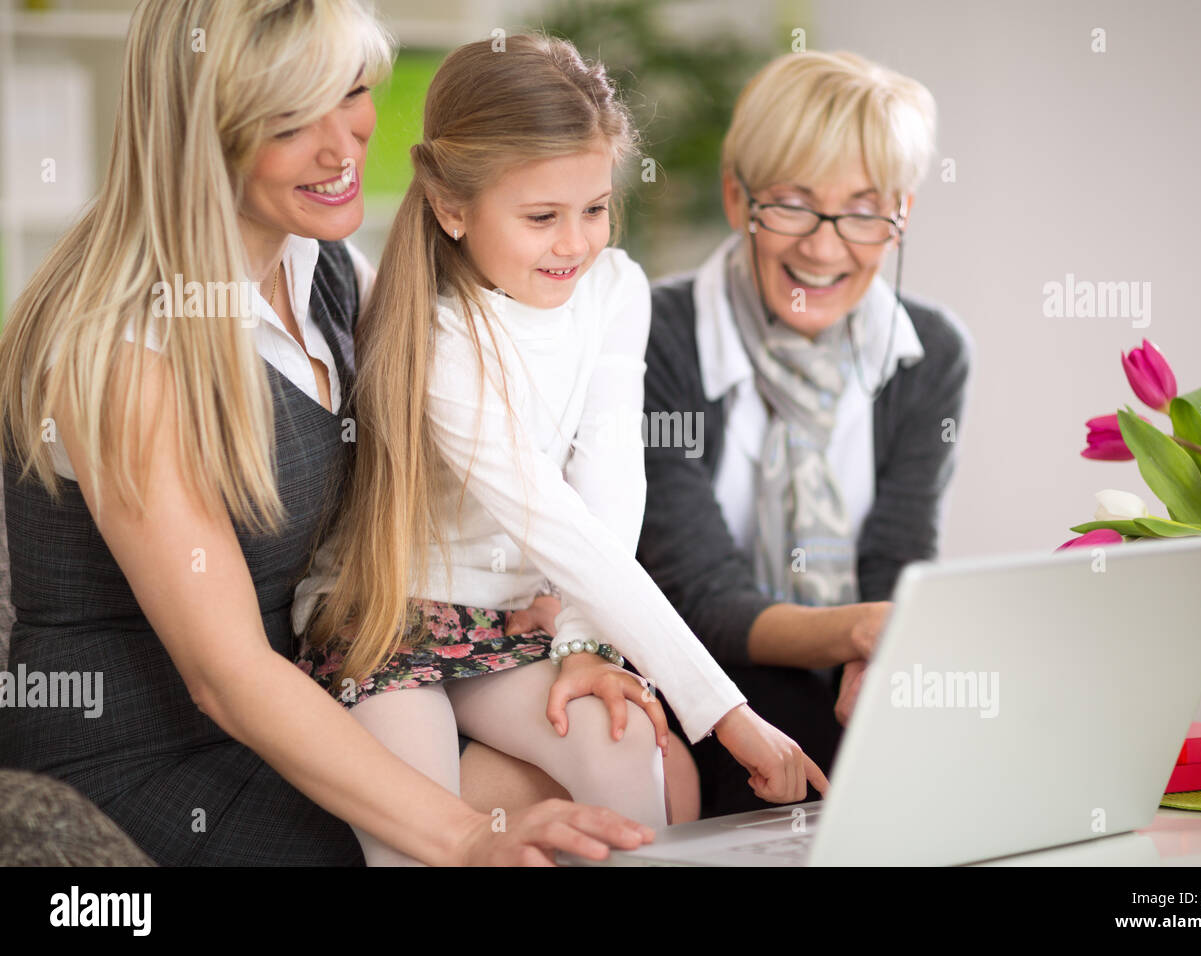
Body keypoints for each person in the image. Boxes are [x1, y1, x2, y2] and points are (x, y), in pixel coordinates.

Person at [0, 0, 639, 867]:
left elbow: (442, 470)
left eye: (352, 92)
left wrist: (540, 602)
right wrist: (458, 835)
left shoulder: (323, 261)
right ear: (202, 133)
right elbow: (225, 676)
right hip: (154, 765)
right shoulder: (120, 347)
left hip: (315, 691)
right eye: (291, 121)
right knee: (557, 821)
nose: (344, 147)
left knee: (628, 762)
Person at [294, 31, 828, 865]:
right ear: (451, 205)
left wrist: (586, 638)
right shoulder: (438, 333)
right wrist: (727, 714)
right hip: (387, 622)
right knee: (418, 829)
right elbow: (552, 520)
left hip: (518, 621)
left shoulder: (615, 292)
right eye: (542, 217)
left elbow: (610, 487)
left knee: (622, 745)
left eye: (595, 208)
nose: (576, 243)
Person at [636, 50, 975, 817]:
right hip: (698, 673)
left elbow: (898, 564)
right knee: (786, 704)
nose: (824, 249)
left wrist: (876, 647)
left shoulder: (931, 354)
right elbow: (695, 596)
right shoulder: (658, 336)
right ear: (736, 198)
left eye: (863, 211)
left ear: (903, 215)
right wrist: (858, 632)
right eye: (791, 204)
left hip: (849, 665)